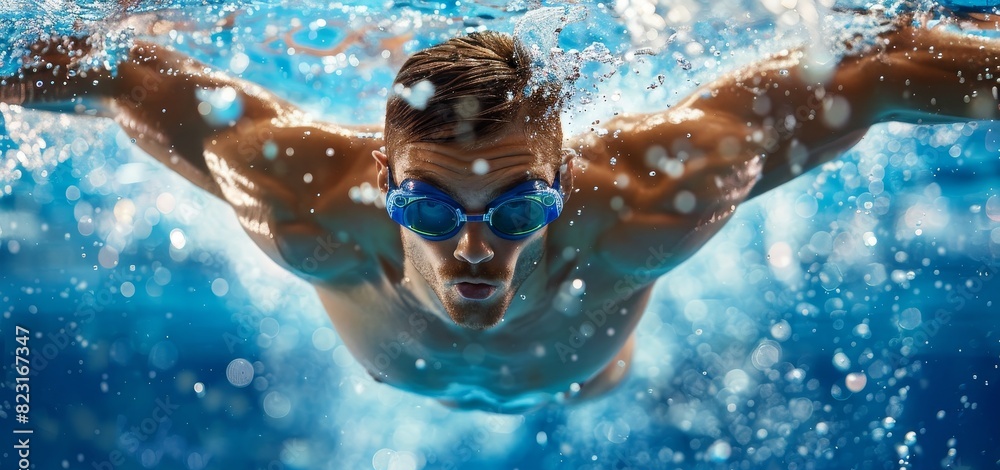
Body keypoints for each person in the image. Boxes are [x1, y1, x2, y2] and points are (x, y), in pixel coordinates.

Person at [2, 10, 998, 412]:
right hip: (510, 357)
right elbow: (127, 72)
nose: (475, 247)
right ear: (380, 176)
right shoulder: (299, 200)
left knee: (598, 381)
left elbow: (869, 68)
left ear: (561, 178)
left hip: (584, 373)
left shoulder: (653, 201)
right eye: (428, 208)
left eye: (520, 207)